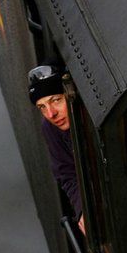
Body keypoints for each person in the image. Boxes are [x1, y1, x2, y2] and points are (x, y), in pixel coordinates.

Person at [28, 65, 85, 233]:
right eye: (42, 107)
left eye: (55, 100)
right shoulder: (50, 127)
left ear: (70, 95)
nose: (51, 114)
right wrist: (82, 211)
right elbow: (66, 173)